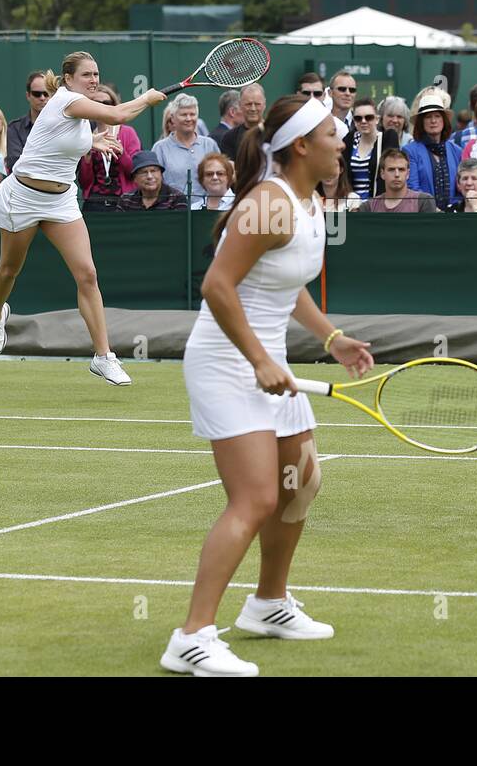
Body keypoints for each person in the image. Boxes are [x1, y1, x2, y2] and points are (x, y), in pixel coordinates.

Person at [161, 94, 373, 678]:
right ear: (302, 145)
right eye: (333, 133)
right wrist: (258, 359)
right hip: (227, 361)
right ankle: (192, 636)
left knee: (300, 481)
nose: (342, 142)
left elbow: (287, 283)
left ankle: (269, 604)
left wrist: (332, 339)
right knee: (254, 498)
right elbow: (217, 286)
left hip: (266, 356)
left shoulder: (310, 203)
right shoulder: (268, 204)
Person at [0, 49, 166, 384]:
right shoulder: (66, 100)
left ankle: (103, 356)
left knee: (87, 274)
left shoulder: (80, 114)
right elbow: (119, 115)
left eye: (97, 74)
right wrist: (149, 98)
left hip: (61, 201)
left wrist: (92, 141)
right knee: (9, 269)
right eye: (87, 74)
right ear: (68, 79)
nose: (94, 80)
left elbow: (67, 139)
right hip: (22, 197)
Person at [77, 83, 141, 211]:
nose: (102, 107)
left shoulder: (127, 133)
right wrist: (87, 159)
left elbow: (135, 172)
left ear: (114, 105)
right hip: (95, 202)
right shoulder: (86, 134)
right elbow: (84, 183)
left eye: (106, 103)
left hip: (124, 201)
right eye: (96, 103)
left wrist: (121, 154)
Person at [402, 89, 463, 209]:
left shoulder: (456, 151)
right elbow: (412, 188)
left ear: (444, 121)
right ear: (421, 122)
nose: (433, 121)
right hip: (423, 215)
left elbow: (461, 187)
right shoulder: (410, 151)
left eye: (437, 116)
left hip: (453, 216)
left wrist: (452, 210)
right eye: (428, 117)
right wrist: (433, 210)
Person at [153, 94, 219, 199]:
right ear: (173, 118)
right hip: (173, 210)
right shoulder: (160, 148)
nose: (188, 119)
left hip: (206, 211)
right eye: (183, 115)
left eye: (192, 114)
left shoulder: (209, 145)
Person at [344, 96, 400, 199]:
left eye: (369, 117)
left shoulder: (387, 139)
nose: (363, 121)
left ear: (377, 119)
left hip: (378, 206)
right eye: (358, 118)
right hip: (351, 207)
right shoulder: (349, 140)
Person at [359, 148, 438, 213]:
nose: (397, 174)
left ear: (408, 173)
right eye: (391, 169)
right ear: (382, 174)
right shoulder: (368, 207)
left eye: (401, 169)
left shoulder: (423, 201)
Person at [5, 75, 48, 173]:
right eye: (37, 94)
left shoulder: (60, 126)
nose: (42, 98)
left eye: (46, 93)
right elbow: (15, 164)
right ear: (28, 95)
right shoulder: (14, 128)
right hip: (24, 185)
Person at [117, 151, 187, 211]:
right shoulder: (126, 200)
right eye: (144, 172)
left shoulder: (177, 199)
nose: (149, 176)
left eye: (153, 171)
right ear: (135, 178)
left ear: (161, 174)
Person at [219, 84, 266, 160]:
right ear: (240, 105)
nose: (253, 108)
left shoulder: (273, 134)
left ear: (264, 105)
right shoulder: (230, 138)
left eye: (257, 104)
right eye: (248, 104)